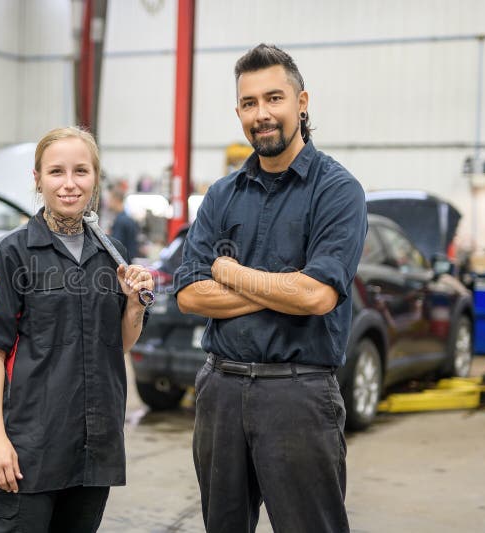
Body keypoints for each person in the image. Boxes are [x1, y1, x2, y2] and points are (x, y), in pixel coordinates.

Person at [173, 44, 367, 533]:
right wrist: (283, 289)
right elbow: (189, 294)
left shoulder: (336, 190)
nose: (261, 113)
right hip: (220, 391)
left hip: (298, 393)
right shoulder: (222, 195)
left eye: (273, 98)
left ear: (302, 103)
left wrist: (228, 270)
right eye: (249, 103)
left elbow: (317, 296)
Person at [0, 126, 154, 533]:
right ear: (38, 179)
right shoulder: (8, 254)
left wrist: (135, 306)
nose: (69, 184)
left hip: (93, 453)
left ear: (95, 178)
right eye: (56, 172)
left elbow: (118, 345)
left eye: (81, 171)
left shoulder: (112, 256)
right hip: (28, 453)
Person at [107, 187, 139, 261]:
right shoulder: (128, 219)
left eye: (110, 199)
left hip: (122, 263)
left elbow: (115, 246)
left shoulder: (120, 221)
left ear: (116, 200)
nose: (108, 203)